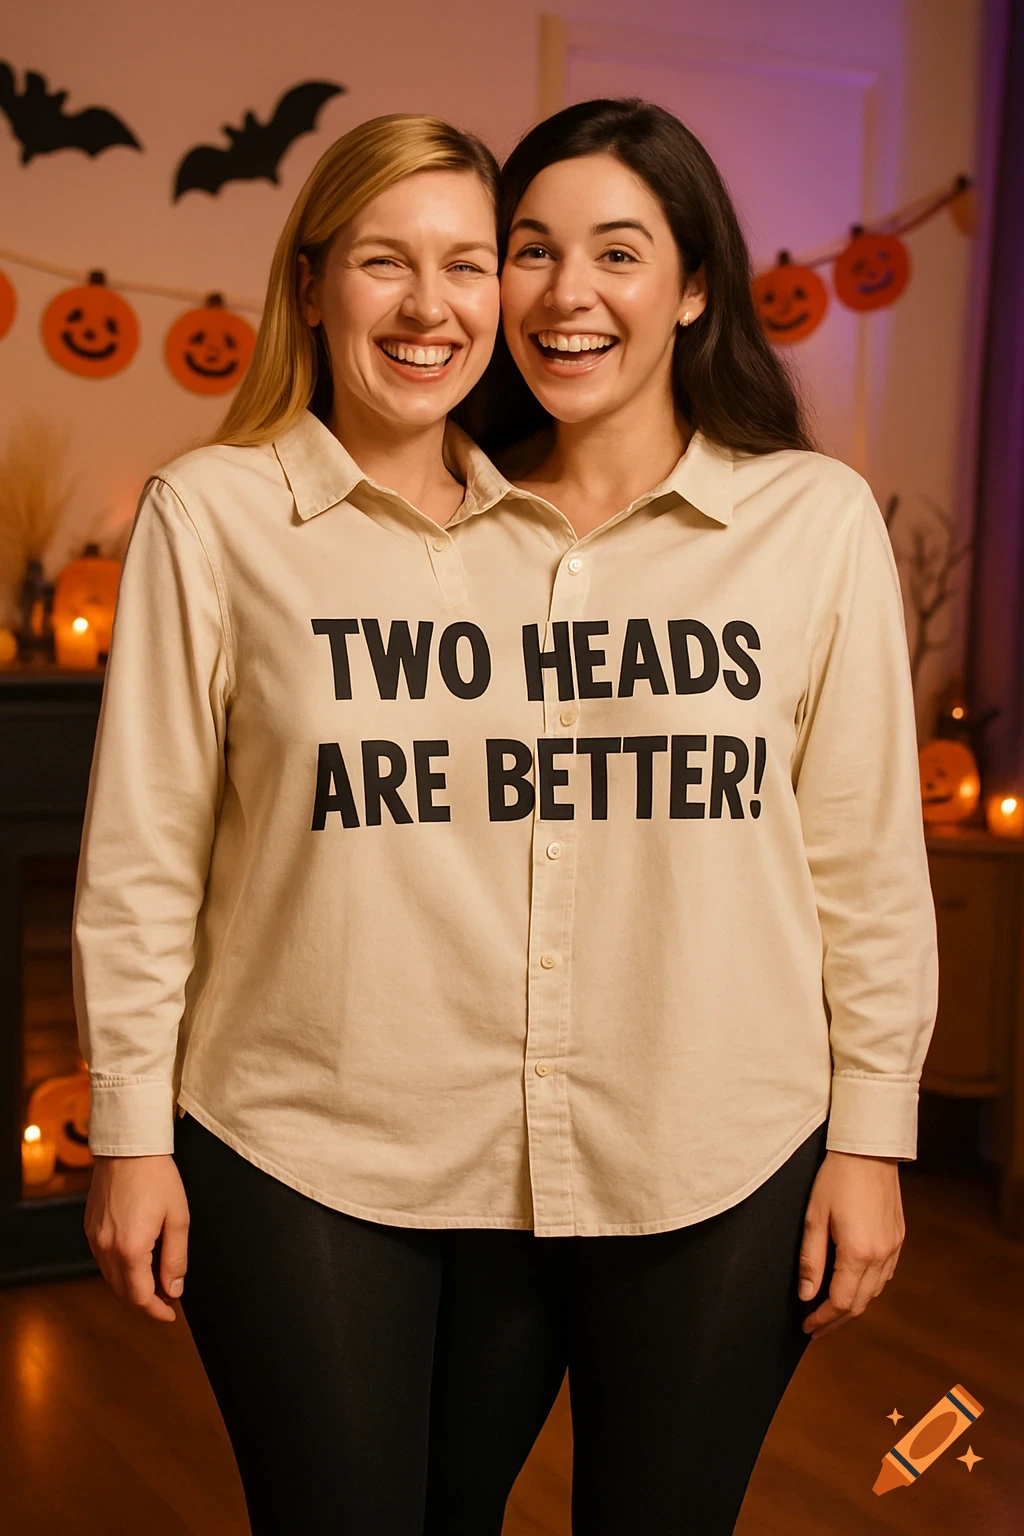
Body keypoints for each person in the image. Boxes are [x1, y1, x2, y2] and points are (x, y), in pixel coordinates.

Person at [443, 96, 937, 1533]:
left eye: (617, 250)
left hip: (726, 1150)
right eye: (528, 252)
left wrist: (871, 1143)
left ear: (695, 282)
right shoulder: (426, 528)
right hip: (461, 1152)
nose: (566, 294)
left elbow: (864, 861)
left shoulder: (813, 520)